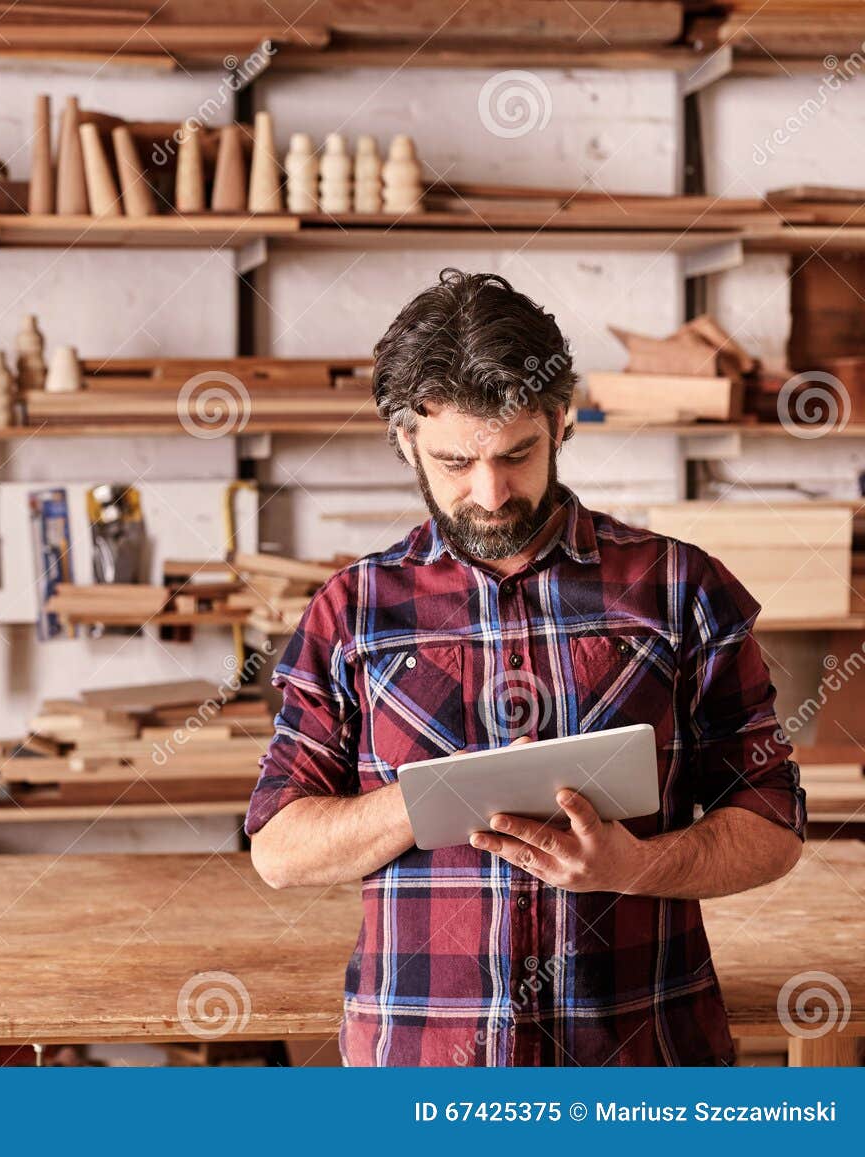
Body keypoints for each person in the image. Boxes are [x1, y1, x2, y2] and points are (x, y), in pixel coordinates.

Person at [247, 269, 804, 1066]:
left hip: (642, 1063)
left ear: (561, 418)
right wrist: (433, 799)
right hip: (420, 1074)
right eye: (453, 462)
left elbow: (775, 822)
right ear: (406, 439)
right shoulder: (353, 610)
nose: (492, 492)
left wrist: (637, 867)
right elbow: (277, 848)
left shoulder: (680, 588)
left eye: (518, 453)